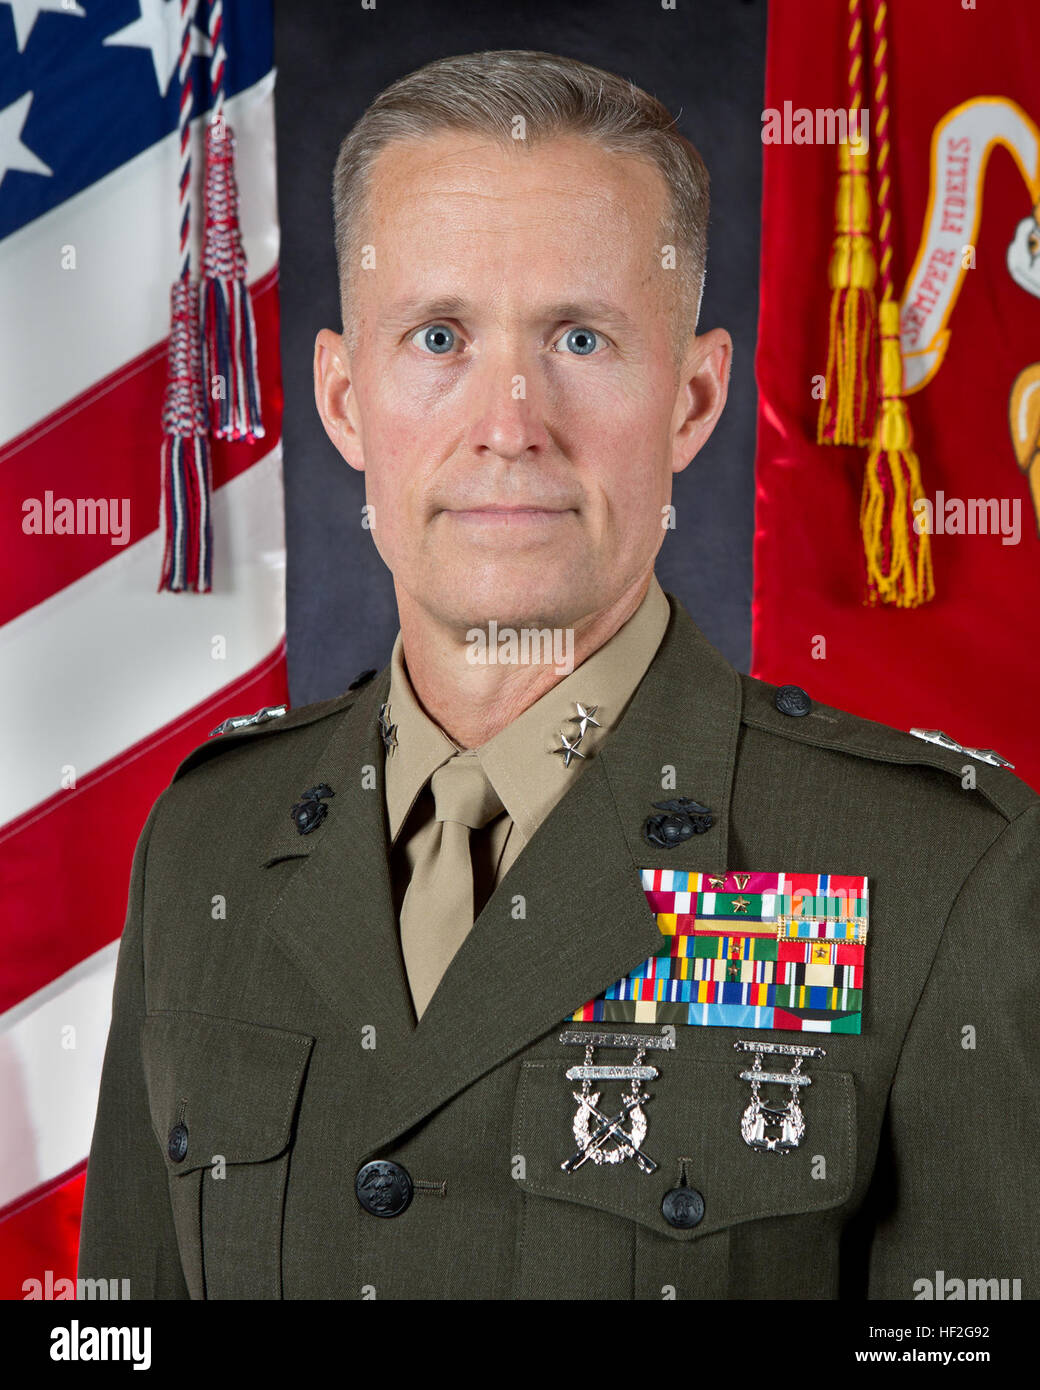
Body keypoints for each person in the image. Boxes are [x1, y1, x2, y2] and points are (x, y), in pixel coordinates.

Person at [78, 48, 1040, 1301]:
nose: (509, 421)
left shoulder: (934, 872)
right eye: (438, 336)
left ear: (692, 400)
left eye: (579, 336)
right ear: (343, 397)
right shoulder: (207, 842)